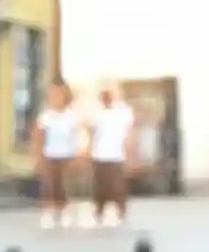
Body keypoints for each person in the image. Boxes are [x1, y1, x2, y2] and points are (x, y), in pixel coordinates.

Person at [32, 81, 82, 229]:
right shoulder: (45, 116)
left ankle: (64, 211)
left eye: (59, 95)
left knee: (64, 185)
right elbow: (38, 137)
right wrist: (38, 156)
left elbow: (75, 137)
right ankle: (49, 212)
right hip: (50, 154)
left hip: (66, 155)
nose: (56, 98)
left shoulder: (71, 116)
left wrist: (77, 155)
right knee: (49, 184)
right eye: (53, 95)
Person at [88, 81, 136, 227]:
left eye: (108, 94)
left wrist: (130, 151)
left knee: (117, 185)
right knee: (100, 185)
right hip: (99, 154)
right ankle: (99, 211)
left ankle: (121, 210)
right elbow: (91, 131)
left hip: (116, 154)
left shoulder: (123, 111)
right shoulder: (96, 112)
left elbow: (129, 132)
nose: (105, 98)